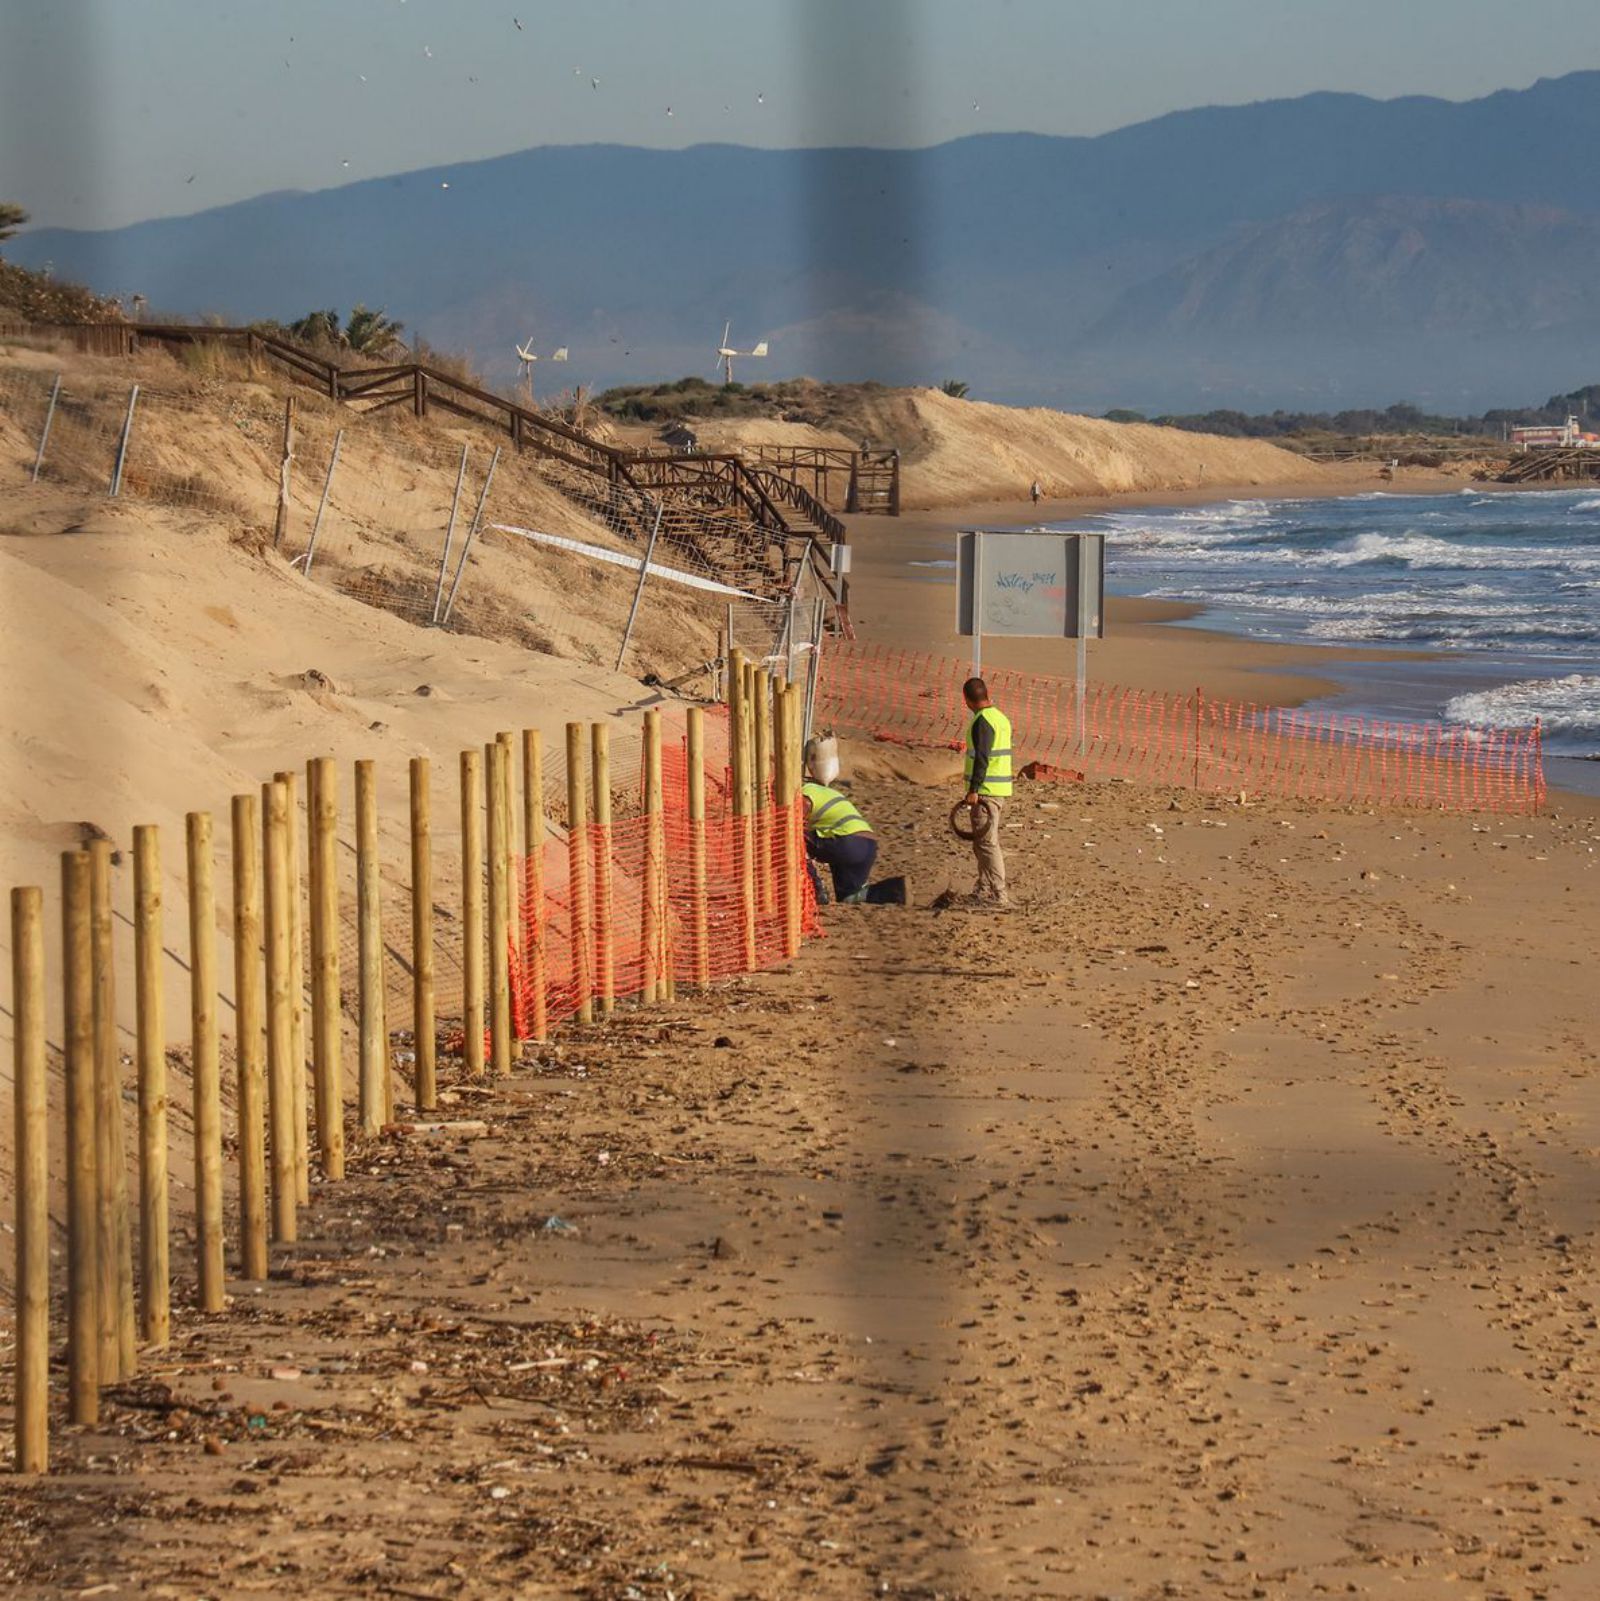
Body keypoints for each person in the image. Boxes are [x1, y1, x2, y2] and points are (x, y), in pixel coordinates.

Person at [961, 676, 1013, 905]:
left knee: (987, 844)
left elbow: (982, 757)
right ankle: (983, 888)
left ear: (966, 699)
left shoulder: (983, 721)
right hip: (998, 789)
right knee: (981, 843)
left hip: (986, 792)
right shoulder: (1000, 717)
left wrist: (974, 789)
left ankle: (999, 894)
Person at [800, 780, 878, 904]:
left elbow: (790, 824)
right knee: (849, 897)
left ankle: (814, 889)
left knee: (791, 838)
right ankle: (898, 890)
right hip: (868, 845)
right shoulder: (823, 791)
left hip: (847, 843)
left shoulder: (804, 795)